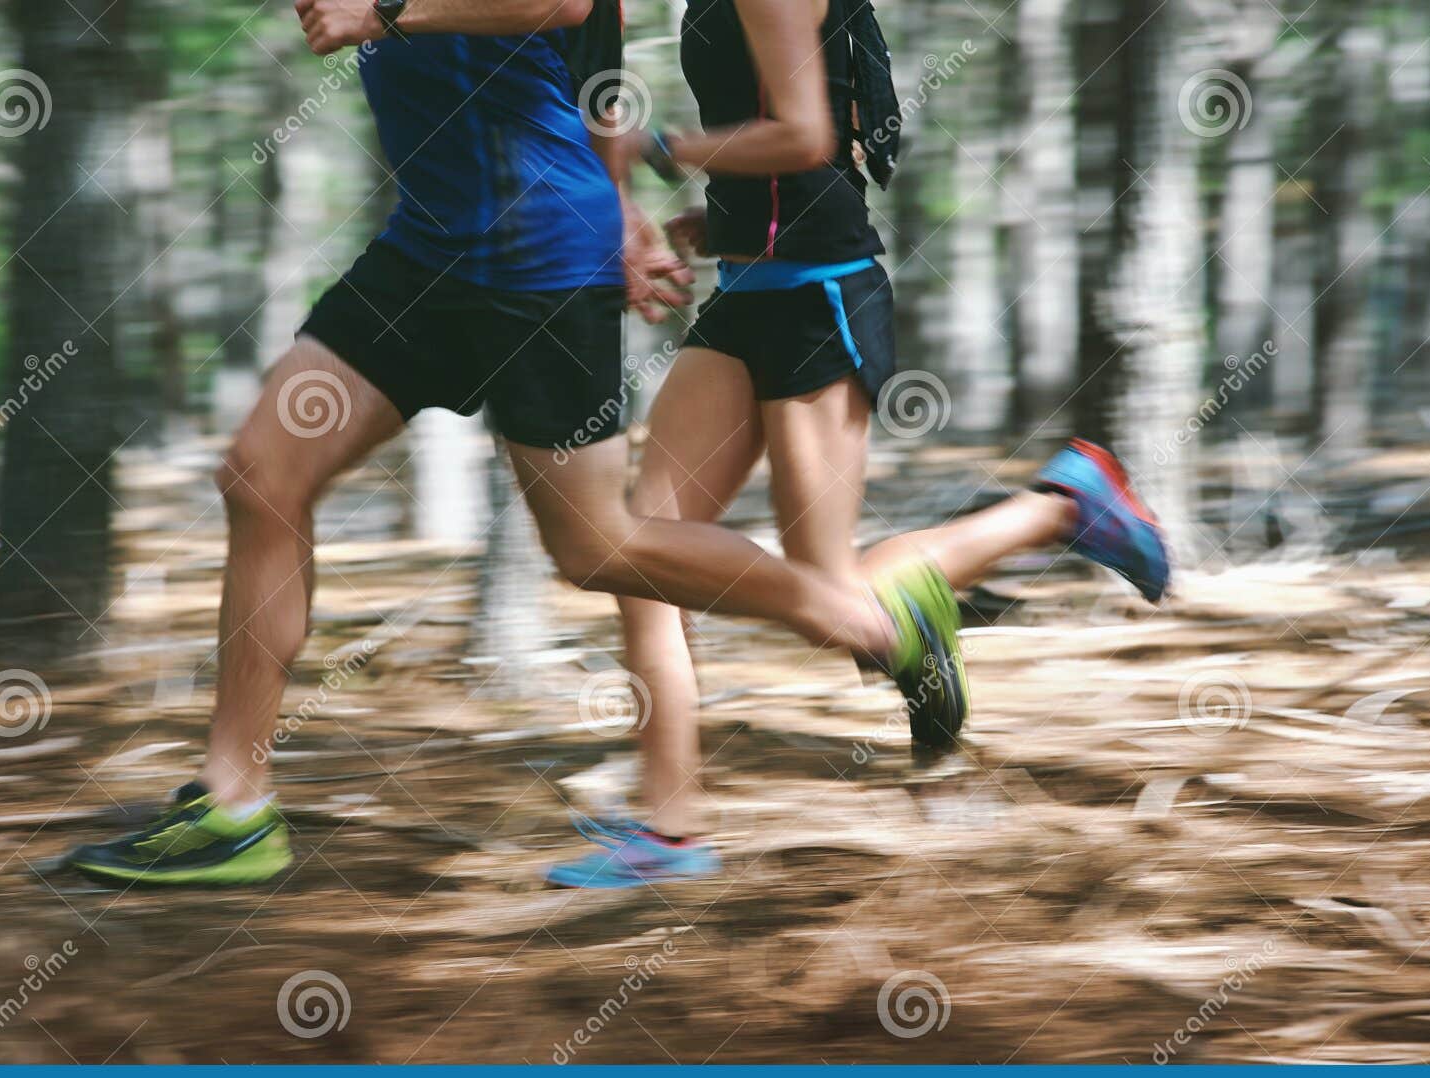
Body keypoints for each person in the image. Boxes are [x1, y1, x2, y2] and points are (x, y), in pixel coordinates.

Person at [59, 0, 967, 887]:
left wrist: (384, 14)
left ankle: (877, 626)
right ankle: (234, 804)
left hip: (537, 260)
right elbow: (599, 72)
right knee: (260, 474)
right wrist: (626, 206)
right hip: (425, 251)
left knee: (596, 546)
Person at [543, 0, 1170, 888]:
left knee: (825, 590)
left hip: (819, 297)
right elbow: (788, 149)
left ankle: (1064, 504)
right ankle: (671, 828)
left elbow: (805, 136)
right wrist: (716, 222)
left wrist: (657, 148)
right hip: (752, 291)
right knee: (638, 555)